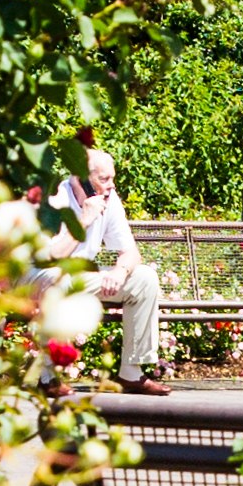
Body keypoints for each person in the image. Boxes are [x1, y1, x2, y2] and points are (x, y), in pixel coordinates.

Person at [43, 138, 168, 388]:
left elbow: (131, 251)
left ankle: (131, 372)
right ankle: (47, 376)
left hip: (82, 278)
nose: (111, 186)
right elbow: (51, 258)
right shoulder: (56, 199)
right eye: (104, 179)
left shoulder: (110, 199)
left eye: (112, 178)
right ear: (82, 178)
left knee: (144, 278)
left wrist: (120, 272)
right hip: (48, 276)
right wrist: (85, 219)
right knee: (55, 280)